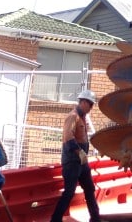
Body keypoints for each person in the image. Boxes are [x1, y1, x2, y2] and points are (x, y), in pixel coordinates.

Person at [50, 89, 101, 222]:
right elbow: (68, 138)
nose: (91, 107)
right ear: (83, 102)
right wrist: (80, 152)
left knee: (89, 188)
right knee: (69, 192)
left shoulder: (83, 118)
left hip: (81, 162)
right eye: (90, 104)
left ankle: (95, 218)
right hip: (72, 162)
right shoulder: (73, 116)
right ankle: (55, 219)